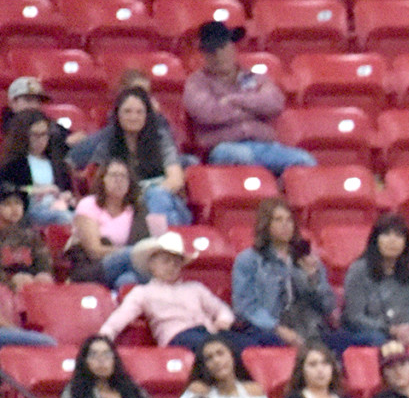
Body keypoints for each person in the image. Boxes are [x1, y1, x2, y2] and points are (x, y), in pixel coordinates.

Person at [182, 20, 316, 173]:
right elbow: (207, 113)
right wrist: (253, 107)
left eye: (223, 47)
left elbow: (274, 102)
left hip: (265, 146)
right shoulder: (196, 82)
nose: (219, 55)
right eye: (212, 50)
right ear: (204, 54)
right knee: (237, 156)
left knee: (304, 160)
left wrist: (235, 100)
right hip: (224, 146)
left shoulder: (254, 77)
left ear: (232, 47)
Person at [232, 198, 357, 352]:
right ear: (265, 225)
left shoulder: (307, 259)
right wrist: (277, 328)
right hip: (267, 327)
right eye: (278, 220)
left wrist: (313, 279)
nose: (285, 225)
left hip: (308, 326)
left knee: (346, 342)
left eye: (289, 220)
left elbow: (327, 306)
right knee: (272, 342)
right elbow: (245, 307)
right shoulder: (248, 260)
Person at [65, 86, 190, 227]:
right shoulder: (108, 143)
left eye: (139, 112)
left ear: (147, 115)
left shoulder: (160, 138)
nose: (133, 117)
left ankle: (159, 241)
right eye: (127, 111)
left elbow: (175, 180)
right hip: (126, 205)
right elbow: (100, 182)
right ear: (117, 115)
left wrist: (144, 194)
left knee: (157, 196)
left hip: (165, 203)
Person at [98, 232, 240, 351]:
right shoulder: (143, 292)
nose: (171, 266)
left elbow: (221, 309)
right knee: (216, 346)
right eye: (166, 261)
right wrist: (103, 338)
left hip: (208, 334)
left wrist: (223, 321)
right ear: (152, 265)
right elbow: (121, 317)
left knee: (247, 340)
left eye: (176, 262)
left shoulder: (195, 288)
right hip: (177, 337)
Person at [340, 214, 409, 354]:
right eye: (386, 235)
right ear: (375, 240)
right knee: (379, 340)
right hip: (366, 332)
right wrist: (391, 330)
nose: (392, 241)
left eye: (398, 236)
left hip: (403, 331)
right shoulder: (358, 271)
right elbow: (354, 317)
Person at [64, 158, 145, 288]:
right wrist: (130, 253)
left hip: (124, 269)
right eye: (113, 175)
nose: (119, 180)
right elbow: (94, 251)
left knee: (128, 281)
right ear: (102, 180)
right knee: (134, 254)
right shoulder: (89, 204)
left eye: (124, 176)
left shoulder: (136, 210)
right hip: (91, 267)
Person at [0, 111, 75, 225]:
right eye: (35, 135)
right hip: (29, 211)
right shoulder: (14, 164)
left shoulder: (57, 163)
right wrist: (34, 190)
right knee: (63, 217)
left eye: (44, 134)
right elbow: (7, 189)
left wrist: (66, 196)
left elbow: (66, 189)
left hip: (56, 207)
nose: (40, 140)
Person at [0, 184, 53, 288]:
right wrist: (10, 281)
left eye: (18, 203)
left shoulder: (30, 236)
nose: (14, 209)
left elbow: (44, 262)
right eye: (7, 204)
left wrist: (42, 275)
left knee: (44, 279)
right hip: (4, 289)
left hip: (29, 285)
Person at [4, 76, 67, 162]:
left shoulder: (49, 124)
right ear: (12, 102)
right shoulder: (4, 127)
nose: (35, 105)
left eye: (38, 101)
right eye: (28, 100)